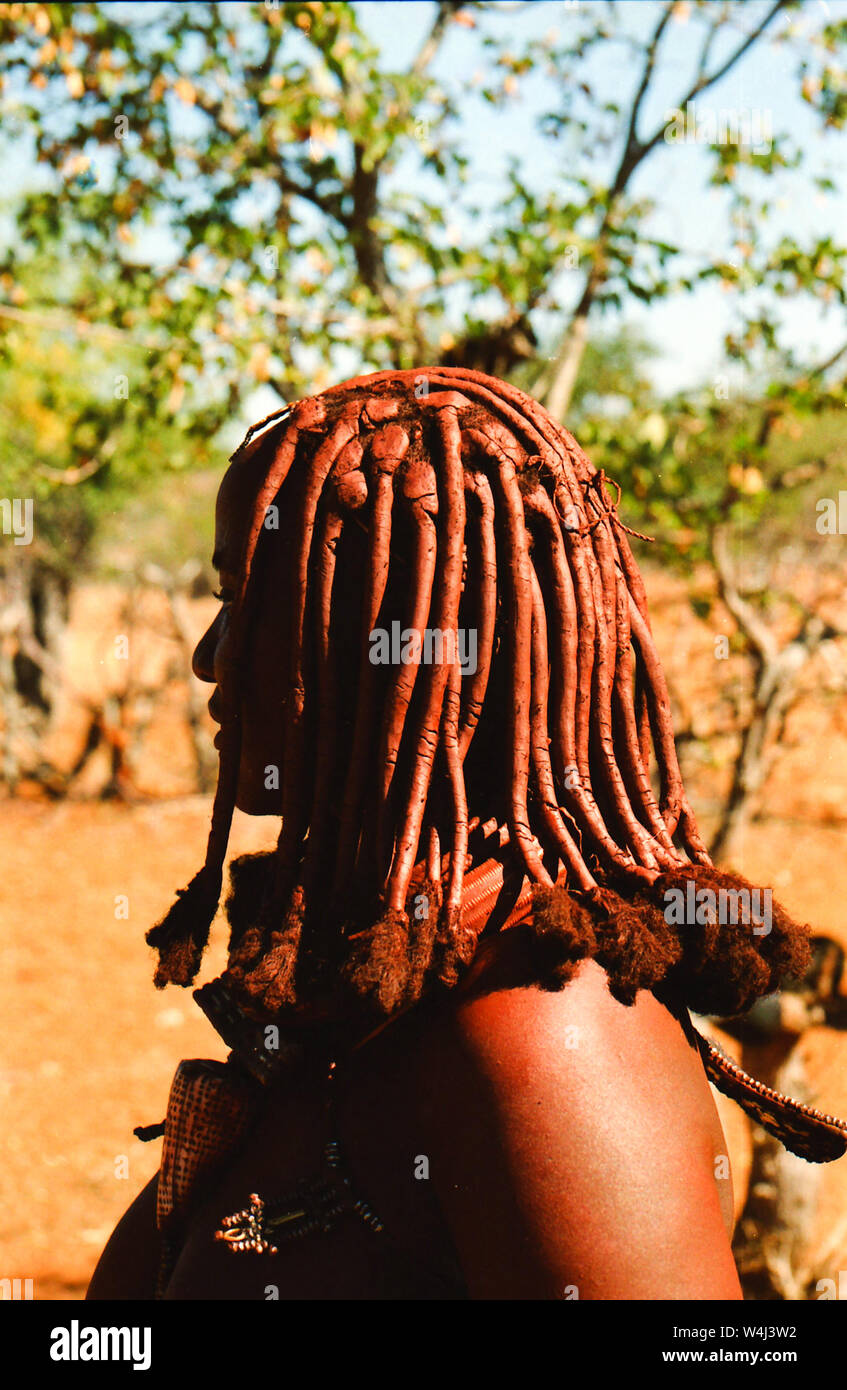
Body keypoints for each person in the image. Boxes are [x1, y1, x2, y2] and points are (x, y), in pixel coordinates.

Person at [87, 367, 846, 1301]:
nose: (211, 655)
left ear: (403, 638)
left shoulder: (542, 1038)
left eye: (250, 600)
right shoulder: (375, 978)